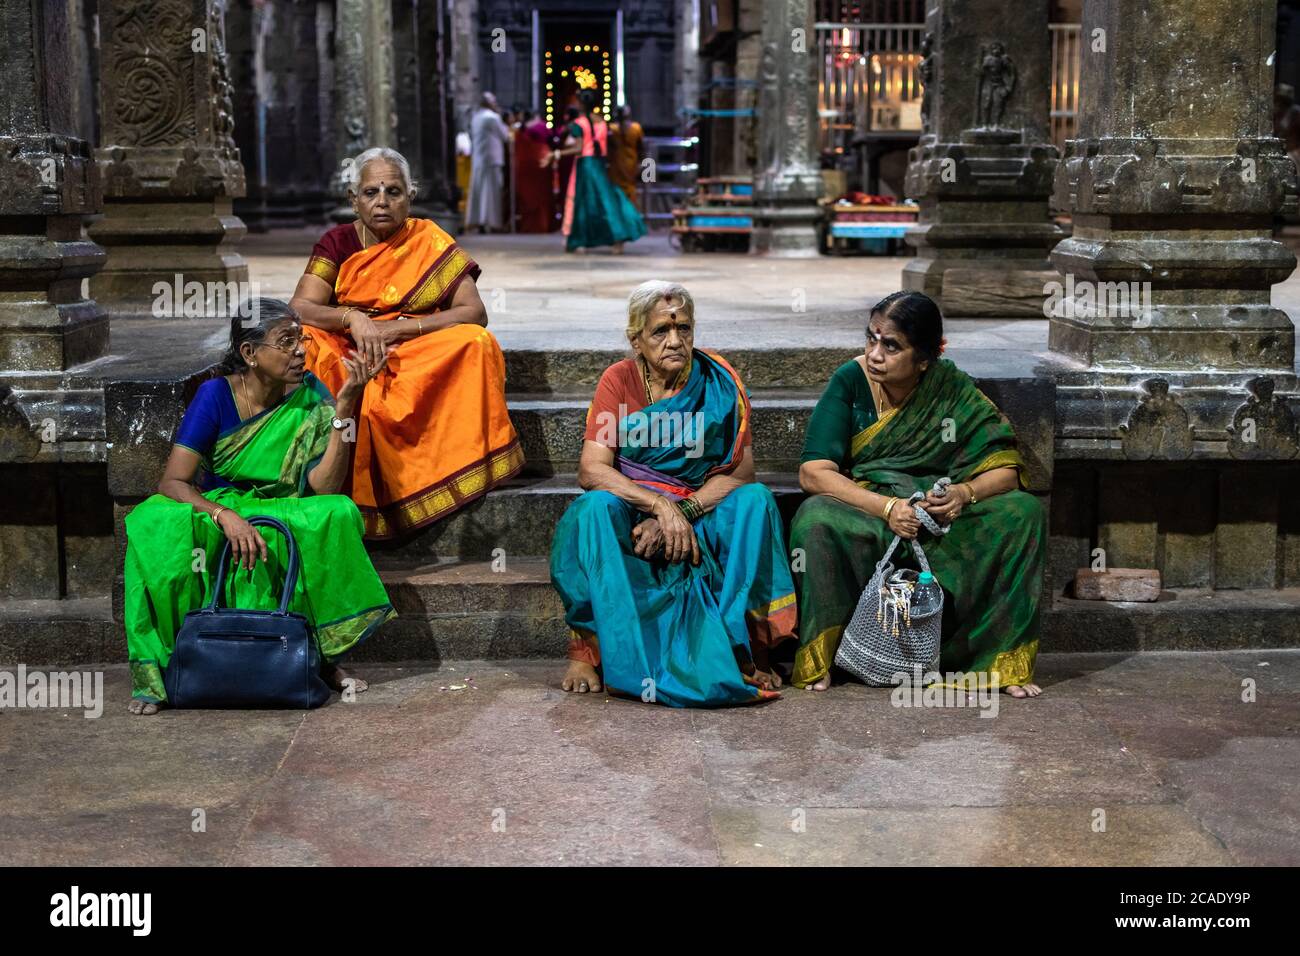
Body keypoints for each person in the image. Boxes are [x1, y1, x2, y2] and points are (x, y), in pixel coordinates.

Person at [123, 299, 395, 715]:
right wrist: (224, 515)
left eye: (301, 339)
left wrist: (344, 409)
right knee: (152, 520)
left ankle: (319, 658)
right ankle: (168, 666)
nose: (301, 350)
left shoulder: (310, 395)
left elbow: (323, 489)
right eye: (286, 342)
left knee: (337, 511)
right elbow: (173, 481)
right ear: (250, 353)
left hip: (283, 506)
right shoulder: (215, 395)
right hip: (223, 507)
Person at [549, 281, 797, 707]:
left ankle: (743, 649)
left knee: (755, 502)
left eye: (684, 328)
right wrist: (659, 507)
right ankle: (590, 651)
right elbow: (592, 470)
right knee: (593, 510)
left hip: (700, 506)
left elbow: (742, 472)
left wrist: (684, 509)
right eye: (661, 332)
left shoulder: (717, 382)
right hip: (635, 510)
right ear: (636, 340)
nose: (675, 341)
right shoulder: (619, 380)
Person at [792, 291, 1045, 698]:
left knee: (1023, 513)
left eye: (891, 345)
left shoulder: (950, 389)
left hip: (939, 518)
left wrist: (963, 493)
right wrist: (888, 507)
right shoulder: (851, 381)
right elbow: (813, 472)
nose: (875, 354)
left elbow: (1006, 473)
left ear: (925, 358)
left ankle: (993, 664)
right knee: (815, 517)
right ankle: (829, 656)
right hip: (873, 513)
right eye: (871, 338)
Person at [289, 147, 524, 540]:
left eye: (393, 191)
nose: (382, 202)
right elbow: (301, 306)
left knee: (475, 342)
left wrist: (401, 331)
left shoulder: (428, 240)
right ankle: (326, 465)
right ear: (354, 200)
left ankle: (450, 464)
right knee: (309, 342)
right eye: (370, 192)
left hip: (411, 346)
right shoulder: (338, 242)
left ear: (410, 197)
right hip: (350, 345)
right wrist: (353, 317)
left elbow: (474, 312)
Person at [545, 89, 646, 254]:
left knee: (586, 203)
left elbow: (579, 148)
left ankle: (582, 239)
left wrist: (555, 154)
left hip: (588, 165)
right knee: (608, 201)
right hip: (606, 164)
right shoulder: (605, 124)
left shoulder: (580, 124)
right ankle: (614, 238)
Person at [466, 92, 511, 233]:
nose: (495, 103)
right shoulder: (492, 117)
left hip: (479, 158)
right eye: (493, 101)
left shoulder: (476, 117)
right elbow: (505, 136)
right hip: (492, 159)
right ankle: (492, 223)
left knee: (480, 191)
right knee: (492, 192)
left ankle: (479, 221)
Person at [513, 107, 555, 232]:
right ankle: (543, 224)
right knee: (541, 195)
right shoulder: (542, 126)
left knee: (528, 196)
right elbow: (551, 139)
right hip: (540, 161)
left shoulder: (520, 131)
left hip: (524, 164)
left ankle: (529, 225)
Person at [608, 105, 645, 207]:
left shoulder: (613, 129)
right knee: (622, 192)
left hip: (625, 165)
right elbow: (642, 148)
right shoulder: (613, 130)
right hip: (621, 165)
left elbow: (641, 148)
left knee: (623, 192)